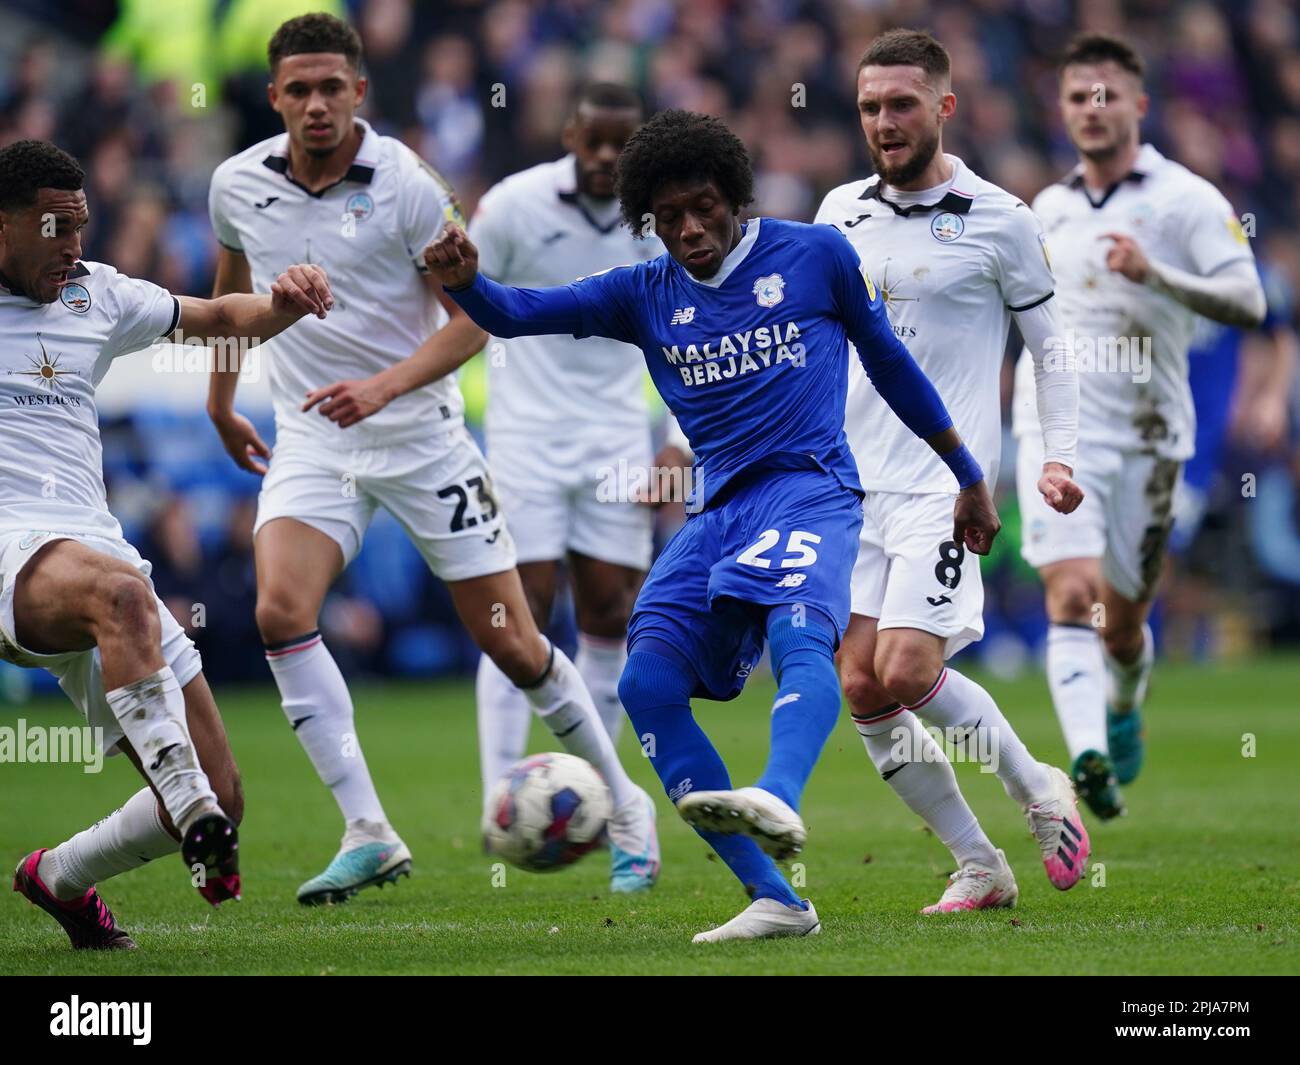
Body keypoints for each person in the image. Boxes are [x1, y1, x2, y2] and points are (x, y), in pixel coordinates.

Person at [424, 108, 1000, 942]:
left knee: (802, 636)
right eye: (667, 218)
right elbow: (515, 314)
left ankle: (780, 793)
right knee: (643, 685)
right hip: (717, 510)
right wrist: (464, 281)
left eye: (703, 207)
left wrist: (967, 473)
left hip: (811, 488)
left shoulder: (816, 256)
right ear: (646, 223)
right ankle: (776, 897)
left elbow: (890, 362)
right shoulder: (641, 292)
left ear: (734, 196)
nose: (690, 229)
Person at [206, 13, 658, 904]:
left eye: (331, 86)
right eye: (298, 90)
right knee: (278, 610)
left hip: (422, 440)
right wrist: (221, 401)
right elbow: (228, 293)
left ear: (359, 91)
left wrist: (382, 387)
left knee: (518, 645)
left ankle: (630, 806)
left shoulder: (410, 184)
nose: (316, 105)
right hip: (313, 436)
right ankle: (368, 828)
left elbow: (471, 322)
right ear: (274, 98)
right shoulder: (236, 183)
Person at [2, 138, 332, 948]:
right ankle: (192, 815)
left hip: (96, 551)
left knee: (230, 789)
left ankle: (59, 875)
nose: (73, 245)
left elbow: (221, 319)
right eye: (53, 227)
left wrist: (286, 303)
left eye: (80, 226)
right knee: (122, 595)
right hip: (14, 555)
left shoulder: (98, 296)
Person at [816, 29, 1090, 913]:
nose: (884, 123)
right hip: (850, 482)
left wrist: (1059, 456)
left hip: (946, 479)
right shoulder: (836, 212)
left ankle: (1037, 786)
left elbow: (1053, 350)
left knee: (902, 666)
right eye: (869, 107)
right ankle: (978, 863)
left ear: (944, 106)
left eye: (901, 104)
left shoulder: (1002, 219)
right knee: (857, 681)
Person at [1011, 33, 1266, 819]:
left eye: (1106, 95)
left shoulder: (1186, 199)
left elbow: (1250, 302)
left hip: (1151, 438)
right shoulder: (1043, 211)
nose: (1091, 110)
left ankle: (1121, 706)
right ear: (1061, 111)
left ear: (1137, 106)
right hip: (1058, 429)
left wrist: (1155, 274)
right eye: (1077, 97)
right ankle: (1086, 753)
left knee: (1122, 624)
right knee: (1071, 590)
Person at [446, 85, 666, 859]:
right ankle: (501, 795)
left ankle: (589, 791)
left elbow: (687, 327)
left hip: (615, 435)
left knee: (609, 608)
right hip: (526, 435)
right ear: (570, 131)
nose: (607, 158)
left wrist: (675, 439)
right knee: (519, 613)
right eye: (595, 141)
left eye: (622, 144)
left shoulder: (660, 216)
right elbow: (463, 308)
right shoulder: (511, 205)